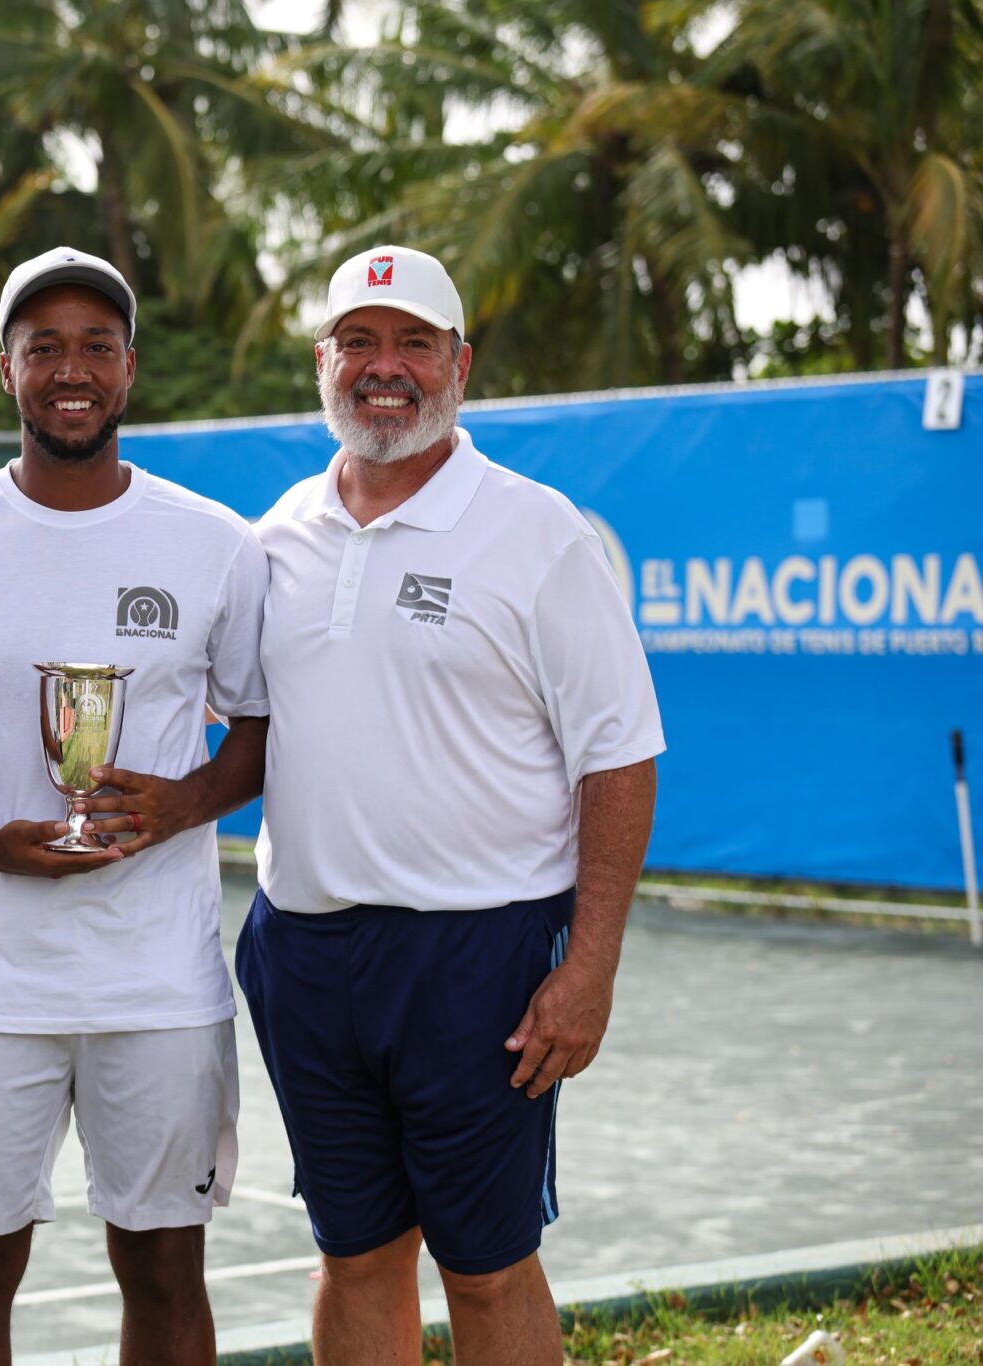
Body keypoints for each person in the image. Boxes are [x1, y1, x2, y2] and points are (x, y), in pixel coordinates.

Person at [0, 246, 270, 1365]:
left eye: (93, 346)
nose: (68, 369)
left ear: (127, 370)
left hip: (159, 980)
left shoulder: (215, 544)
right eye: (42, 348)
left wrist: (180, 804)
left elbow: (263, 731)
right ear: (5, 369)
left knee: (164, 1263)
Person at [239, 245, 664, 1365]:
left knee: (485, 1266)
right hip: (305, 950)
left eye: (412, 343)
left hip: (480, 959)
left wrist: (589, 966)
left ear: (458, 363)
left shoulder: (537, 533)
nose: (385, 368)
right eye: (359, 342)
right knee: (354, 1254)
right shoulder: (275, 533)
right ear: (323, 362)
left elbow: (618, 759)